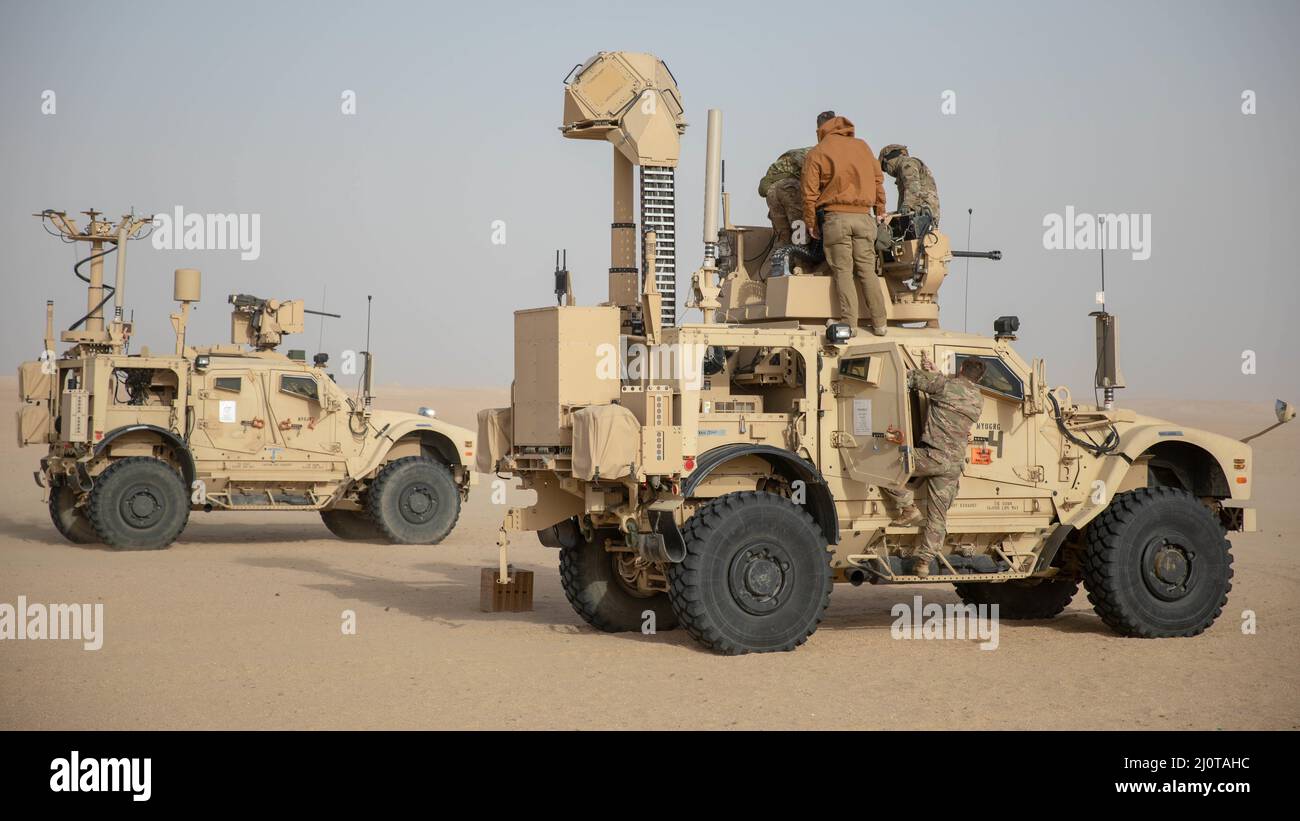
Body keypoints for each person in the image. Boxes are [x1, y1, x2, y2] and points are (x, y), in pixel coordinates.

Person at [881, 354, 986, 578]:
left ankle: (908, 507)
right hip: (953, 463)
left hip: (931, 456)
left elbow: (909, 378)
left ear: (960, 368)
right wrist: (937, 373)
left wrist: (929, 374)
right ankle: (924, 562)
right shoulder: (978, 397)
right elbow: (955, 389)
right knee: (938, 515)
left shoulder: (944, 385)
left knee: (886, 463)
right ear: (979, 378)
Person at [800, 111, 889, 336]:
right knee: (867, 270)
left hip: (836, 218)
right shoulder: (862, 146)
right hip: (864, 217)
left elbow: (809, 193)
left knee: (843, 271)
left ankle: (849, 323)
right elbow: (878, 181)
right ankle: (880, 323)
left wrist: (811, 223)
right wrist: (880, 210)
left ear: (820, 128)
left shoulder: (818, 152)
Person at [758, 147, 812, 246]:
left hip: (772, 191)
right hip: (790, 187)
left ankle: (782, 258)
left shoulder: (787, 157)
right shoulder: (817, 154)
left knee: (783, 238)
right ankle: (801, 260)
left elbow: (763, 190)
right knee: (800, 235)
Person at [878, 144, 941, 228]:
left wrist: (907, 206)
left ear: (887, 161)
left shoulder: (907, 164)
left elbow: (913, 187)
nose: (888, 172)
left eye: (885, 168)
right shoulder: (905, 167)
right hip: (920, 215)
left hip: (922, 215)